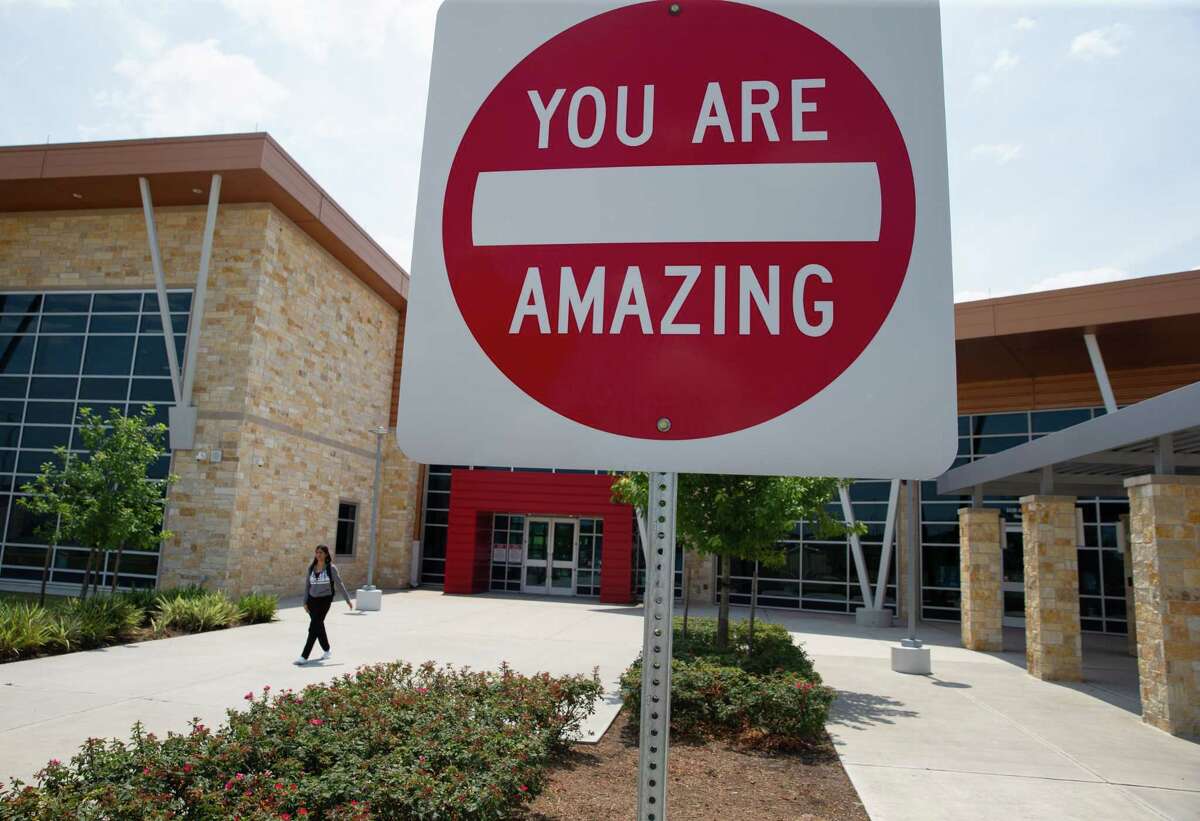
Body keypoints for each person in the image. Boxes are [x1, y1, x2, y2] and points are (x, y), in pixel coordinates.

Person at [294, 544, 354, 665]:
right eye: (317, 552)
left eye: (321, 552)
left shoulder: (331, 568)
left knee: (313, 627)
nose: (318, 555)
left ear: (326, 554)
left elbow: (339, 584)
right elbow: (307, 586)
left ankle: (304, 656)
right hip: (311, 601)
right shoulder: (311, 568)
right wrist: (305, 602)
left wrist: (347, 600)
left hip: (324, 601)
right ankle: (327, 650)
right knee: (318, 626)